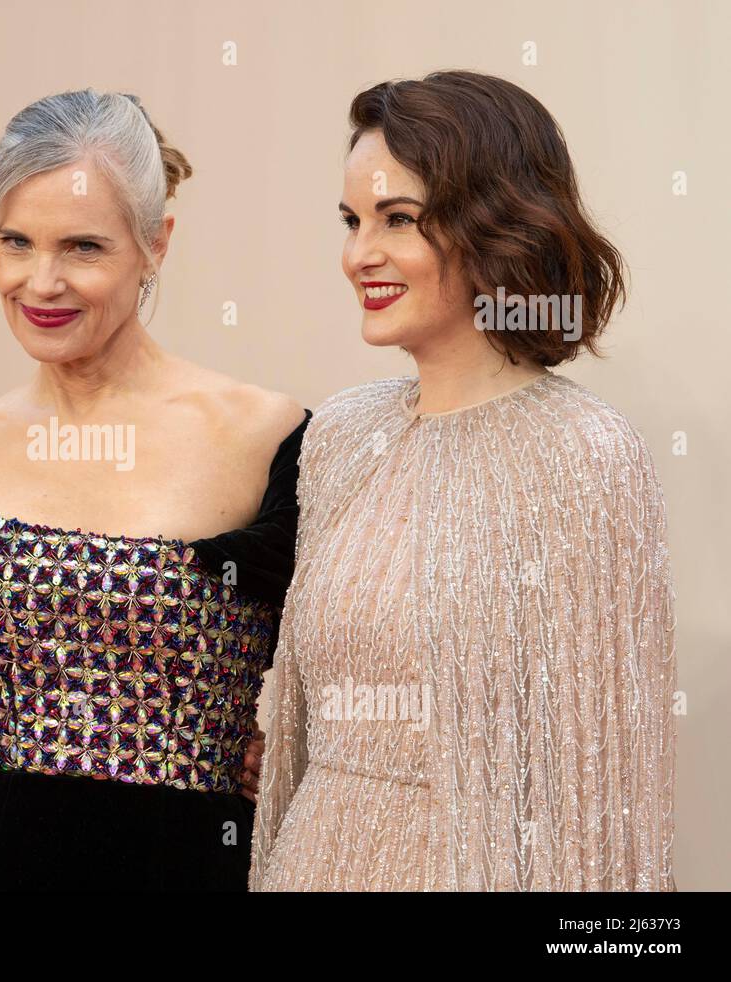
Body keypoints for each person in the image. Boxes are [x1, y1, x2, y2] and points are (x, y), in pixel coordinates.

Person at [250, 71, 676, 891]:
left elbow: (609, 791)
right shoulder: (341, 433)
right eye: (351, 221)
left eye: (398, 220)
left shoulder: (586, 455)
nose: (357, 254)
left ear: (494, 225)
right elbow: (298, 734)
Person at [0, 88, 308, 890]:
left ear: (156, 244)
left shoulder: (268, 438)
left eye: (82, 248)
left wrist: (287, 747)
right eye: (15, 242)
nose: (41, 282)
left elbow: (360, 669)